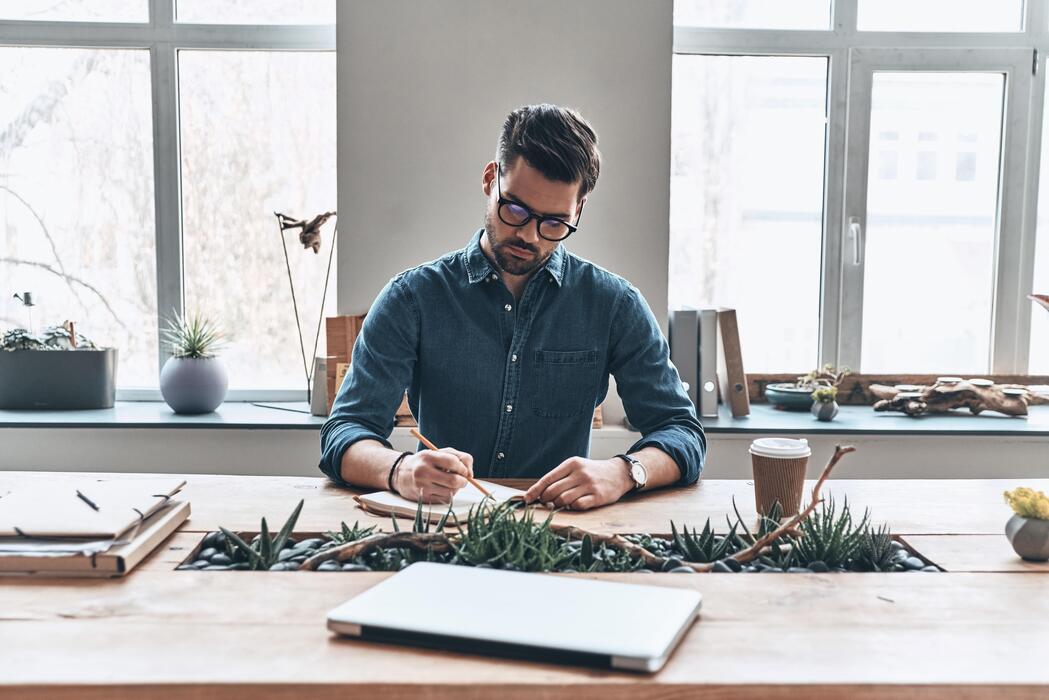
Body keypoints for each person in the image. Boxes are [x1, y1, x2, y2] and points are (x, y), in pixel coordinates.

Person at [320, 103, 705, 510]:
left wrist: (624, 472)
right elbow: (344, 430)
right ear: (491, 180)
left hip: (563, 533)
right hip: (442, 533)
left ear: (580, 209)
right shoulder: (412, 298)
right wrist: (398, 469)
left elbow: (681, 431)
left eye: (555, 223)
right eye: (515, 210)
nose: (530, 236)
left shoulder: (614, 305)